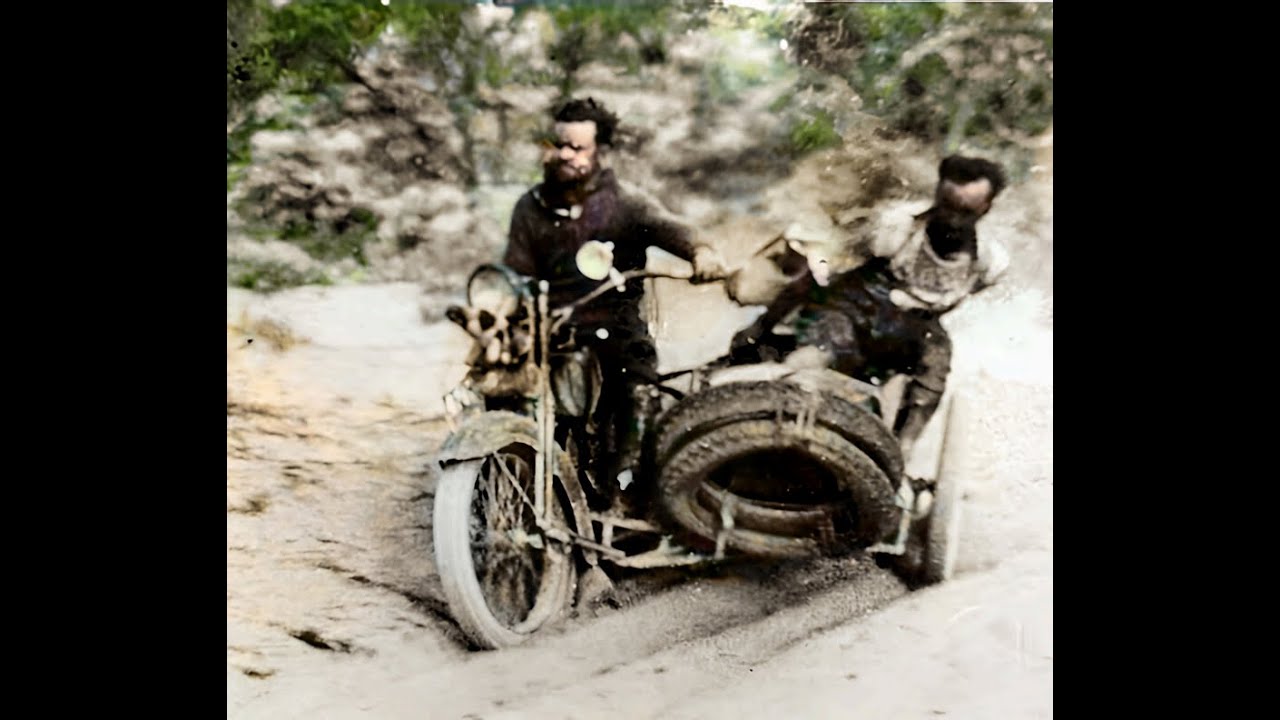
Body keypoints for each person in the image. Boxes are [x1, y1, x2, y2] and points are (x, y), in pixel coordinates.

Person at [502, 97, 727, 484]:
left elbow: (672, 228)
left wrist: (702, 252)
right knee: (504, 386)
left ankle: (628, 488)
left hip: (613, 328)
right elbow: (515, 272)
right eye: (558, 145)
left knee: (636, 395)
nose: (564, 155)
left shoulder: (625, 203)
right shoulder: (530, 207)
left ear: (600, 152)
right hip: (551, 330)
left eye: (577, 148)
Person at [728, 155, 1008, 460]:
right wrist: (763, 324)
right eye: (946, 205)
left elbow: (950, 306)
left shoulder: (988, 262)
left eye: (964, 212)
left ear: (986, 207)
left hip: (909, 332)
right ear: (938, 194)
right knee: (812, 356)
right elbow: (821, 270)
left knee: (935, 363)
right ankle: (760, 425)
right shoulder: (897, 228)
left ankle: (900, 453)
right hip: (852, 311)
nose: (952, 219)